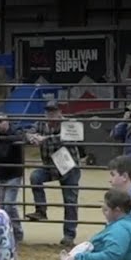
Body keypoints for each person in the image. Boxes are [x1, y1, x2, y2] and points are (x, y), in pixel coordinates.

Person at [25, 100, 85, 248]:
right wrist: (31, 137)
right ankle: (41, 210)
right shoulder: (40, 124)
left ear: (60, 113)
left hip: (69, 167)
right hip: (51, 166)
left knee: (70, 201)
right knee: (35, 177)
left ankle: (69, 235)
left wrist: (45, 138)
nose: (50, 115)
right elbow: (28, 131)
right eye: (48, 112)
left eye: (53, 112)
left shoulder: (69, 123)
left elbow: (72, 135)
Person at [0, 115, 26, 240]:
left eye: (0, 121)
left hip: (13, 173)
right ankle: (11, 231)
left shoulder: (15, 130)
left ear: (7, 122)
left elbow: (19, 137)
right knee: (3, 205)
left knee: (8, 204)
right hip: (0, 174)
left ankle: (16, 232)